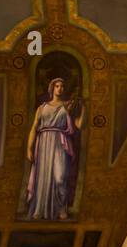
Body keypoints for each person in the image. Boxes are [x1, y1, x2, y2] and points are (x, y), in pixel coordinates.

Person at [25, 77, 84, 220]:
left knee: (60, 177)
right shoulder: (42, 108)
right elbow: (34, 128)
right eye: (57, 86)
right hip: (44, 142)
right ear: (52, 88)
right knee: (42, 178)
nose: (60, 88)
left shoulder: (67, 106)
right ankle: (39, 209)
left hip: (60, 143)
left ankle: (61, 209)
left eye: (62, 86)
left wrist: (83, 110)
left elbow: (78, 125)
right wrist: (29, 148)